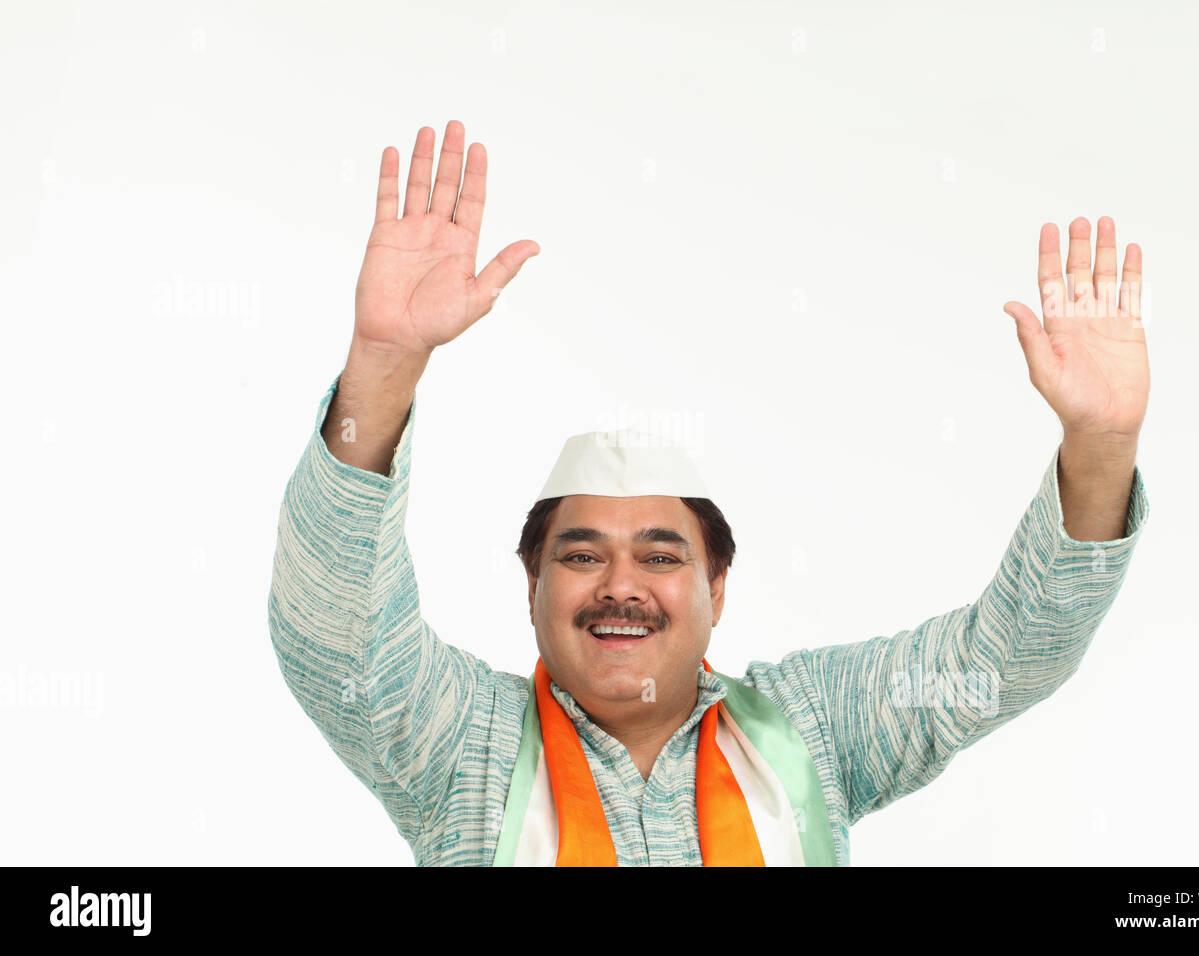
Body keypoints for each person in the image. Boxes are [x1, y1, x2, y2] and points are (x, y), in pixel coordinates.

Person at [267, 120, 1151, 866]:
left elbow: (1002, 661)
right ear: (532, 587)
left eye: (661, 554)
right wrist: (383, 362)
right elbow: (335, 639)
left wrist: (1102, 444)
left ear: (716, 589)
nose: (621, 584)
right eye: (581, 555)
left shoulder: (813, 727)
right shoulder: (460, 743)